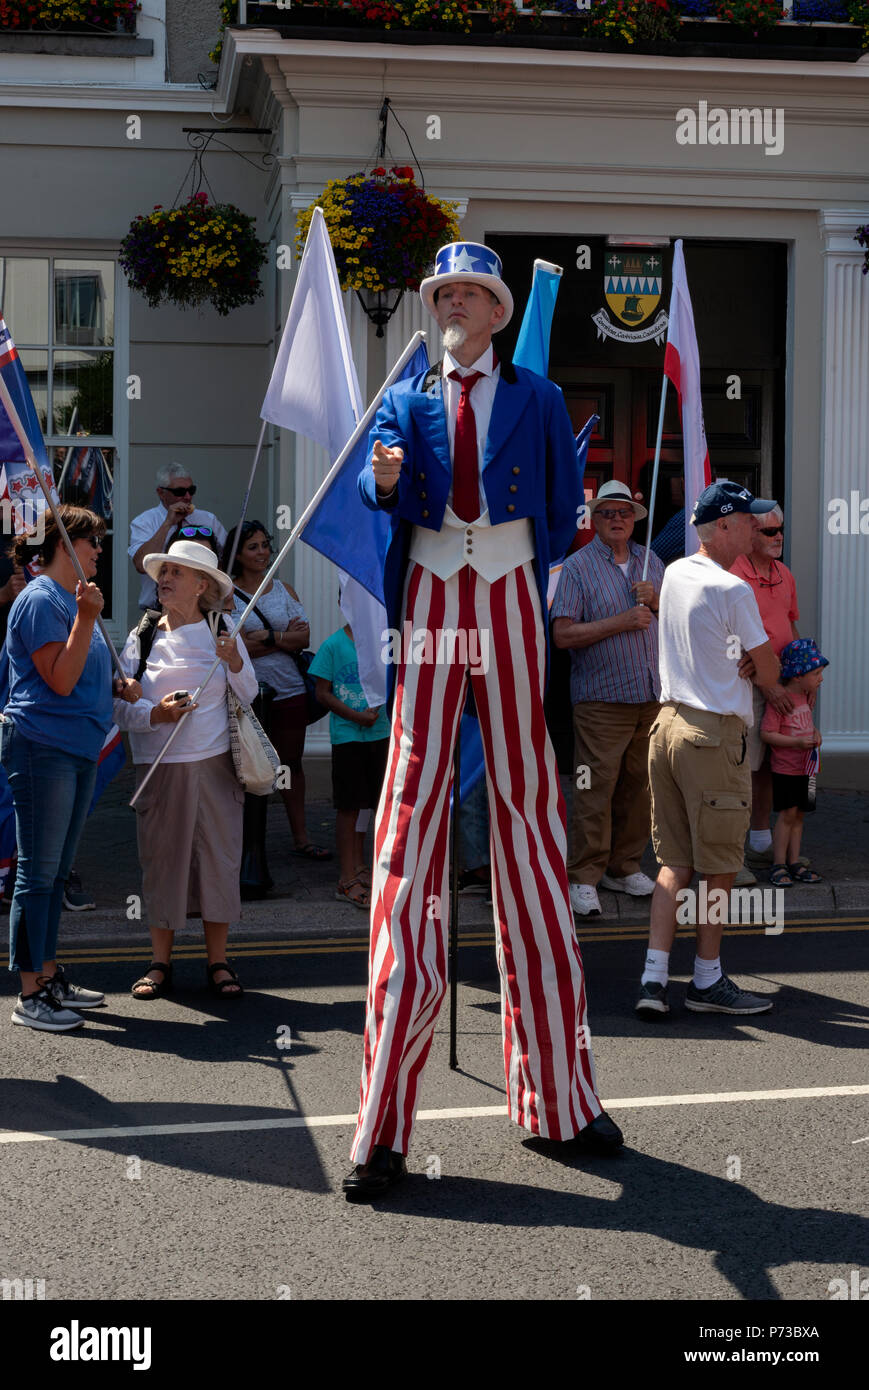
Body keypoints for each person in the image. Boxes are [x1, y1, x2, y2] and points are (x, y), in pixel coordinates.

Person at [343, 240, 623, 1201]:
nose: (455, 304)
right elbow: (374, 499)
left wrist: (527, 575)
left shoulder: (539, 397)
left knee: (530, 817)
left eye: (470, 292)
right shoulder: (406, 399)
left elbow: (556, 503)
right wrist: (384, 479)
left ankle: (560, 1099)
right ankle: (380, 1125)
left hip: (508, 591)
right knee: (408, 815)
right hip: (427, 593)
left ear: (499, 311)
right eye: (444, 292)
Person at [636, 481, 781, 1022]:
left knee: (673, 863)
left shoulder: (673, 572)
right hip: (712, 736)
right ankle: (706, 978)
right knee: (719, 869)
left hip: (666, 726)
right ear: (723, 526)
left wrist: (740, 657)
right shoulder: (733, 589)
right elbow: (769, 670)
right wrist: (751, 662)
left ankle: (653, 978)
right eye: (748, 519)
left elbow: (711, 643)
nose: (757, 528)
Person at [2, 505, 140, 1031]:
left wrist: (114, 686)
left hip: (73, 746)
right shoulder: (41, 599)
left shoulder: (74, 600)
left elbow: (76, 674)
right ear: (65, 544)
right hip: (43, 747)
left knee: (54, 874)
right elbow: (57, 681)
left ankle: (49, 976)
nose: (100, 550)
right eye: (94, 542)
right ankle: (30, 994)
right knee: (36, 875)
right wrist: (85, 618)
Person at [112, 539, 258, 1000]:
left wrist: (233, 661)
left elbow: (250, 693)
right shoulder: (144, 634)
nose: (165, 580)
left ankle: (219, 963)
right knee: (163, 864)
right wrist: (157, 714)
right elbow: (121, 706)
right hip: (159, 768)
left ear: (201, 585)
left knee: (217, 860)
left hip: (215, 766)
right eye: (163, 572)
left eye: (176, 572)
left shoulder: (223, 627)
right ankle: (160, 964)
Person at [551, 479, 663, 917]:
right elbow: (562, 635)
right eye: (607, 513)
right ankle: (583, 876)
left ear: (634, 520)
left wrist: (659, 602)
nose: (617, 520)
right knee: (592, 788)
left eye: (624, 513)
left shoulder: (651, 559)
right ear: (593, 520)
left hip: (650, 698)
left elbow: (675, 622)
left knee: (640, 789)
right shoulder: (578, 567)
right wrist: (621, 621)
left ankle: (624, 866)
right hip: (601, 700)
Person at [223, 520, 330, 861]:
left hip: (289, 692)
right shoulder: (227, 595)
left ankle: (300, 837)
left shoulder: (284, 590)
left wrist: (265, 638)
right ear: (237, 554)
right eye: (252, 547)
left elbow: (305, 638)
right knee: (244, 768)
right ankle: (244, 844)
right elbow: (232, 649)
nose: (262, 552)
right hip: (246, 695)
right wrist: (282, 641)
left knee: (289, 765)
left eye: (265, 545)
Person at [729, 504, 802, 879]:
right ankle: (733, 855)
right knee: (743, 767)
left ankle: (760, 842)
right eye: (770, 532)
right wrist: (767, 683)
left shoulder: (784, 574)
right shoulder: (733, 575)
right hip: (750, 685)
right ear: (750, 533)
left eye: (781, 530)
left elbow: (789, 630)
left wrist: (800, 683)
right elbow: (733, 639)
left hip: (783, 685)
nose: (779, 538)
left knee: (771, 768)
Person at [309, 618, 389, 908]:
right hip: (347, 738)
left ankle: (360, 866)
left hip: (380, 734)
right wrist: (357, 717)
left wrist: (375, 712)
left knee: (369, 804)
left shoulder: (384, 642)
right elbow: (322, 693)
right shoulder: (333, 645)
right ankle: (346, 878)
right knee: (349, 806)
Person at [761, 639, 827, 886]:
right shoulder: (781, 701)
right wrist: (796, 744)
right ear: (798, 676)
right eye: (816, 673)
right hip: (786, 769)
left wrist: (815, 734)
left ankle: (794, 861)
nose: (820, 678)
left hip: (808, 769)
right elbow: (766, 734)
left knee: (800, 815)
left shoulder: (807, 698)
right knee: (787, 815)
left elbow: (805, 726)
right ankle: (778, 864)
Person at [129, 463, 227, 611]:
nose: (187, 497)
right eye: (180, 492)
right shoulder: (144, 522)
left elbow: (227, 558)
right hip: (158, 609)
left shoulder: (208, 520)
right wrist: (168, 523)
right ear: (161, 493)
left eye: (191, 490)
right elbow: (141, 564)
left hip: (202, 608)